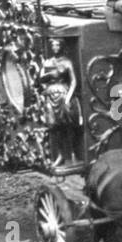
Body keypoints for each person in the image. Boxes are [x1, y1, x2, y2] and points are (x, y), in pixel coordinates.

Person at [38, 38, 81, 166]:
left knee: (67, 124)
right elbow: (40, 80)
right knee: (53, 125)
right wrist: (46, 77)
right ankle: (60, 155)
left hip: (63, 95)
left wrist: (68, 97)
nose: (55, 47)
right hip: (50, 95)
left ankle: (72, 152)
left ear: (61, 46)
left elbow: (73, 81)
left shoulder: (67, 62)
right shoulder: (48, 62)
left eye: (57, 45)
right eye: (53, 45)